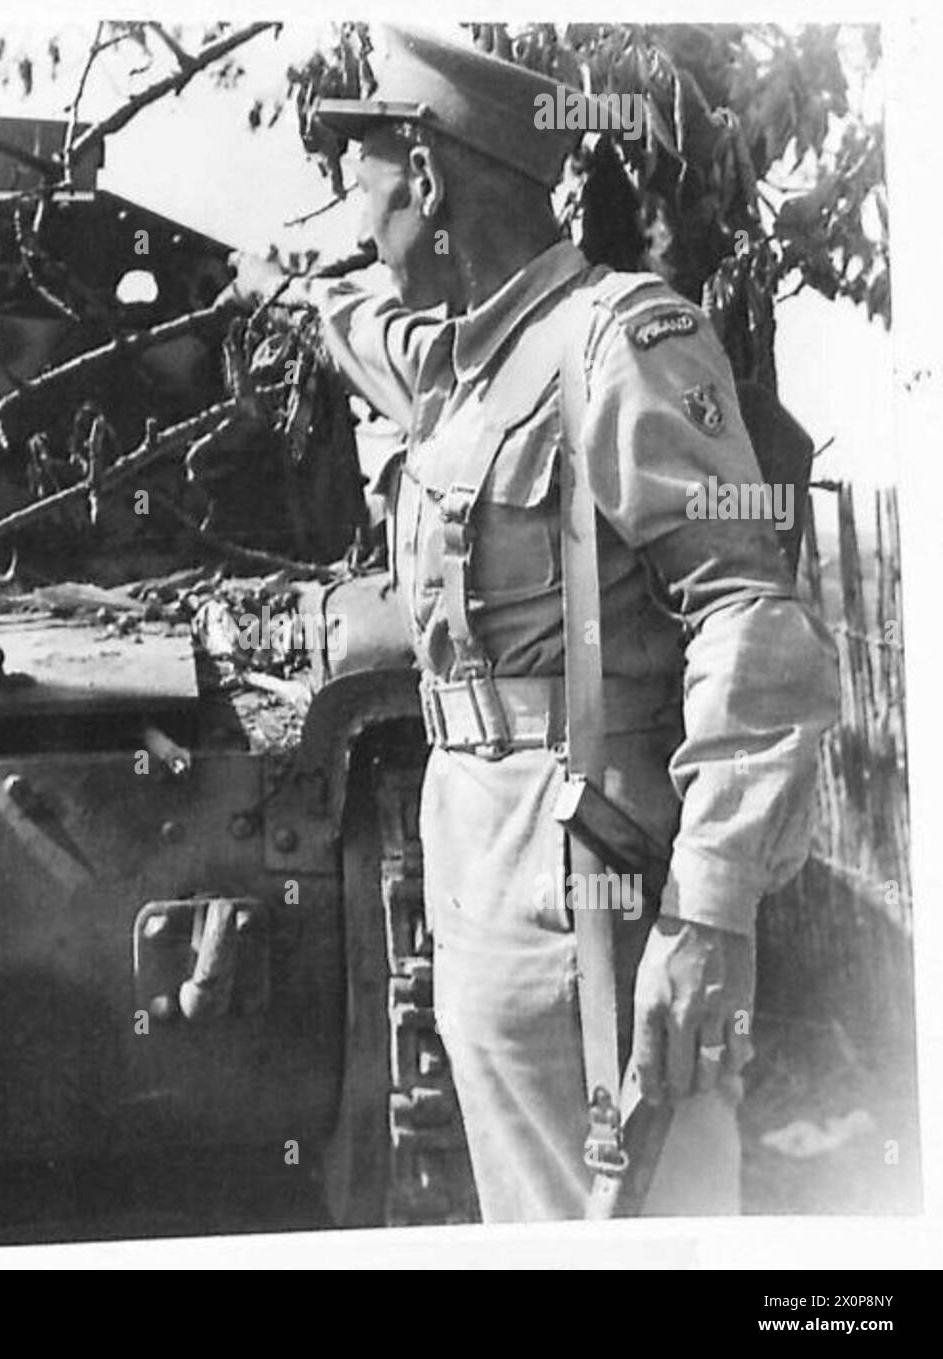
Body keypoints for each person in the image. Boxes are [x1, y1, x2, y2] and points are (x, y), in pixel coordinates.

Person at [227, 24, 839, 1220]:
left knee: (639, 1224)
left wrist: (709, 911)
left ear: (428, 176)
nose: (358, 227)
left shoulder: (618, 342)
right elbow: (353, 318)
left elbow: (748, 612)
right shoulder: (458, 368)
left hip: (596, 888)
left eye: (367, 189)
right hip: (478, 868)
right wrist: (275, 287)